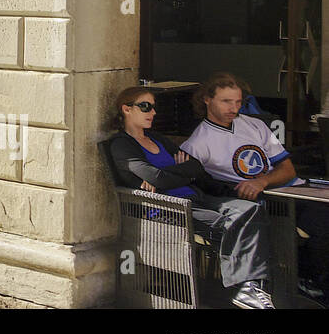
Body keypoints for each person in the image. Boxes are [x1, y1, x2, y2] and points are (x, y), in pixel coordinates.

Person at [108, 85, 276, 309]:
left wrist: (176, 174)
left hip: (196, 195)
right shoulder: (122, 145)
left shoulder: (157, 139)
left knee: (251, 210)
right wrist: (181, 173)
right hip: (171, 208)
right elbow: (159, 177)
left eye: (154, 107)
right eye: (145, 106)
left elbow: (193, 166)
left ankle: (248, 288)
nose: (153, 113)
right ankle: (247, 288)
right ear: (126, 109)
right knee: (235, 224)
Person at [181, 72, 329, 302]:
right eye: (226, 101)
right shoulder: (196, 144)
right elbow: (199, 186)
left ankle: (312, 282)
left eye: (238, 102)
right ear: (207, 100)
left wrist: (262, 180)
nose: (234, 107)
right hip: (263, 203)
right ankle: (308, 284)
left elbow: (288, 170)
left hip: (291, 189)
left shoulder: (255, 124)